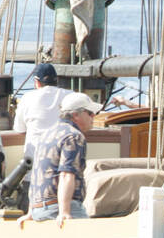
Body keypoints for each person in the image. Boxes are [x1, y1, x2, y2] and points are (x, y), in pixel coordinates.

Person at [26, 91, 102, 224]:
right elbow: (66, 175)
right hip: (58, 208)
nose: (93, 116)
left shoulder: (46, 134)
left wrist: (30, 212)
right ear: (75, 115)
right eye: (90, 113)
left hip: (39, 209)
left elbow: (37, 174)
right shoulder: (73, 136)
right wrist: (65, 212)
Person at [13, 62, 70, 160]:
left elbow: (20, 129)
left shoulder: (27, 98)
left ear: (36, 82)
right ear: (57, 80)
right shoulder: (69, 95)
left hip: (34, 159)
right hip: (62, 158)